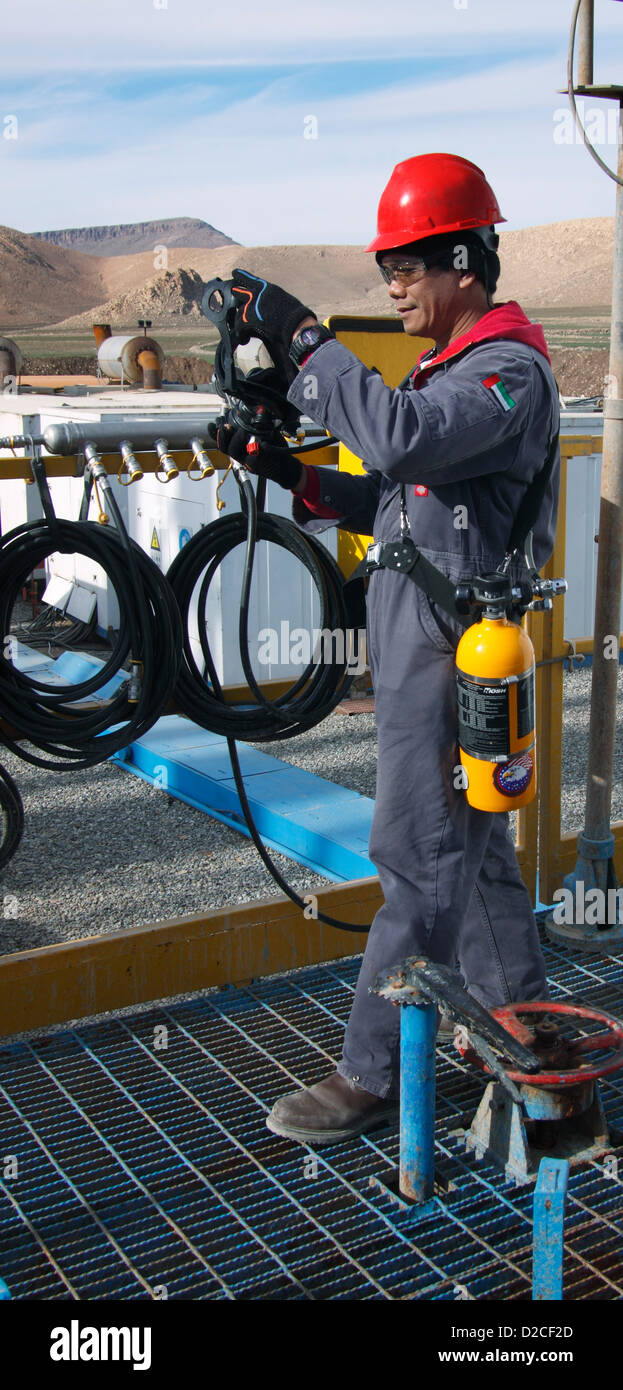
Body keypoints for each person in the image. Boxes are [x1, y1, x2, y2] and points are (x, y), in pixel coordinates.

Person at [217, 152, 560, 1145]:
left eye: (405, 267)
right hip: (427, 646)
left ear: (460, 261)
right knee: (474, 850)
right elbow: (407, 497)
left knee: (414, 858)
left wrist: (304, 339)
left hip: (452, 657)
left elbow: (404, 442)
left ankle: (368, 1071)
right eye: (385, 270)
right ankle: (523, 1021)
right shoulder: (453, 370)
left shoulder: (505, 376)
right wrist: (295, 473)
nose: (393, 287)